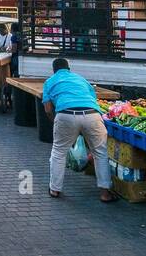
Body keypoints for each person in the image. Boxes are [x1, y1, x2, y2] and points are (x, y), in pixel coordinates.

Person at [43, 59, 114, 202]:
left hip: (65, 114)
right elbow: (93, 99)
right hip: (92, 115)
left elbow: (48, 109)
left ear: (54, 70)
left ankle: (55, 189)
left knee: (58, 152)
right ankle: (105, 193)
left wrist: (55, 122)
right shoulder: (81, 79)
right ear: (69, 68)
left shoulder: (50, 82)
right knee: (100, 153)